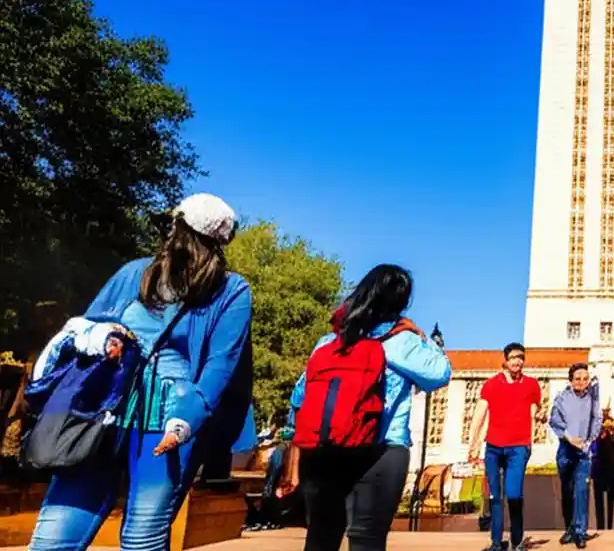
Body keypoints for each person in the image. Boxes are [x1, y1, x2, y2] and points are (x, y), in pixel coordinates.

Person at [29, 193, 255, 551]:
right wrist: (105, 337)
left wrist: (184, 422)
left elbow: (220, 364)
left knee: (143, 539)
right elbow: (83, 328)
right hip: (102, 409)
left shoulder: (231, 291)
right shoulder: (134, 272)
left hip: (167, 422)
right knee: (55, 536)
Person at [276, 264, 451, 551]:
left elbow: (299, 397)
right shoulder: (401, 341)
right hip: (382, 450)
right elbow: (440, 374)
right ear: (401, 302)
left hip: (325, 449)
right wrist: (421, 336)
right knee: (367, 539)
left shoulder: (329, 341)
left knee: (320, 537)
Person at [468, 342, 544, 551]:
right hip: (493, 447)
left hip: (518, 447)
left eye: (521, 357)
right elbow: (479, 414)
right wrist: (472, 443)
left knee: (513, 494)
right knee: (495, 496)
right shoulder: (491, 385)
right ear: (506, 360)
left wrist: (539, 417)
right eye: (513, 357)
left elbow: (536, 409)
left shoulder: (531, 385)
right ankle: (495, 543)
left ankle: (517, 541)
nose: (517, 361)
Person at [550, 363, 602, 548]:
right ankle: (570, 528)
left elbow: (597, 420)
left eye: (585, 379)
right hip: (566, 449)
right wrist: (569, 438)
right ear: (571, 380)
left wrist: (589, 441)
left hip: (583, 452)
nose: (582, 382)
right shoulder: (562, 398)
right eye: (578, 379)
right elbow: (554, 421)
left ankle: (580, 531)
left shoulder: (593, 399)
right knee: (567, 491)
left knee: (581, 491)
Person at [590, 413, 614, 531]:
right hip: (599, 473)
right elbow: (593, 451)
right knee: (599, 503)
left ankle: (610, 525)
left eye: (611, 428)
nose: (608, 431)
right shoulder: (596, 440)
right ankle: (600, 526)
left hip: (611, 473)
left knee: (610, 502)